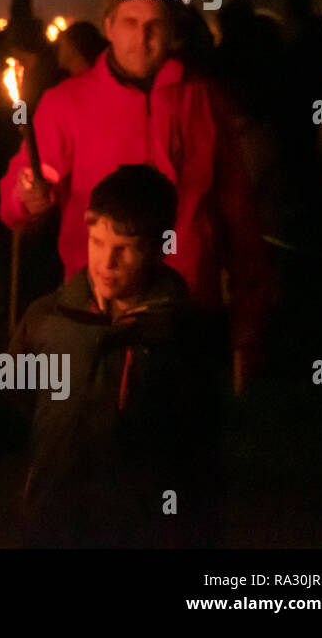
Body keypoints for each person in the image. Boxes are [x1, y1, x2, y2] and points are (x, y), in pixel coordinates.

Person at [0, 0, 271, 390]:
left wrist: (250, 313)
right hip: (100, 312)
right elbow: (23, 187)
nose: (142, 38)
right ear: (108, 26)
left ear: (171, 31)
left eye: (154, 25)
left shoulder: (203, 100)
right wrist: (27, 198)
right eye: (130, 22)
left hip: (188, 310)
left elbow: (236, 210)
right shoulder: (68, 103)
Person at [14, 165, 221, 547]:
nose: (106, 264)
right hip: (52, 528)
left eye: (124, 249)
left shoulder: (182, 338)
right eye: (97, 242)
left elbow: (199, 456)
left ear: (160, 249)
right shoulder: (46, 320)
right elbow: (17, 414)